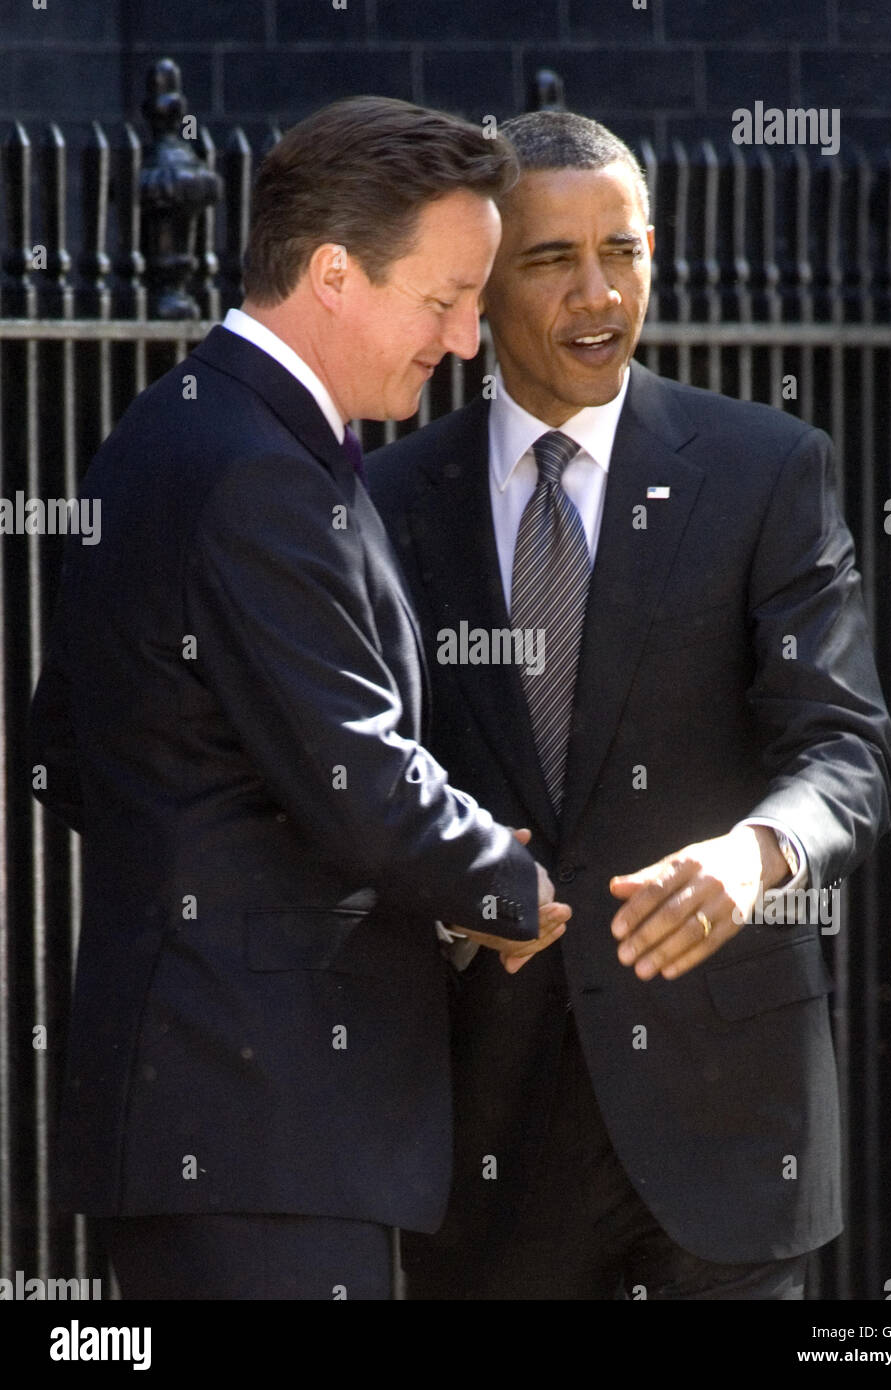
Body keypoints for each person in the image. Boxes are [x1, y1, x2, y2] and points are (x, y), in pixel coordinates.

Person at [28, 97, 569, 1301]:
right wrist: (504, 885)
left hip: (217, 1111)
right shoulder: (261, 472)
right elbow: (362, 781)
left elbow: (65, 750)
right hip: (263, 1116)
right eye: (443, 299)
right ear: (333, 273)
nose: (469, 340)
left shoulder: (168, 430)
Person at [368, 110, 891, 1300]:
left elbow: (848, 752)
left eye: (626, 251)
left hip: (728, 1116)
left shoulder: (767, 469)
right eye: (552, 260)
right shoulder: (388, 498)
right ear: (481, 288)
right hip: (485, 1134)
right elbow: (355, 771)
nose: (598, 292)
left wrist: (759, 854)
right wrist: (444, 895)